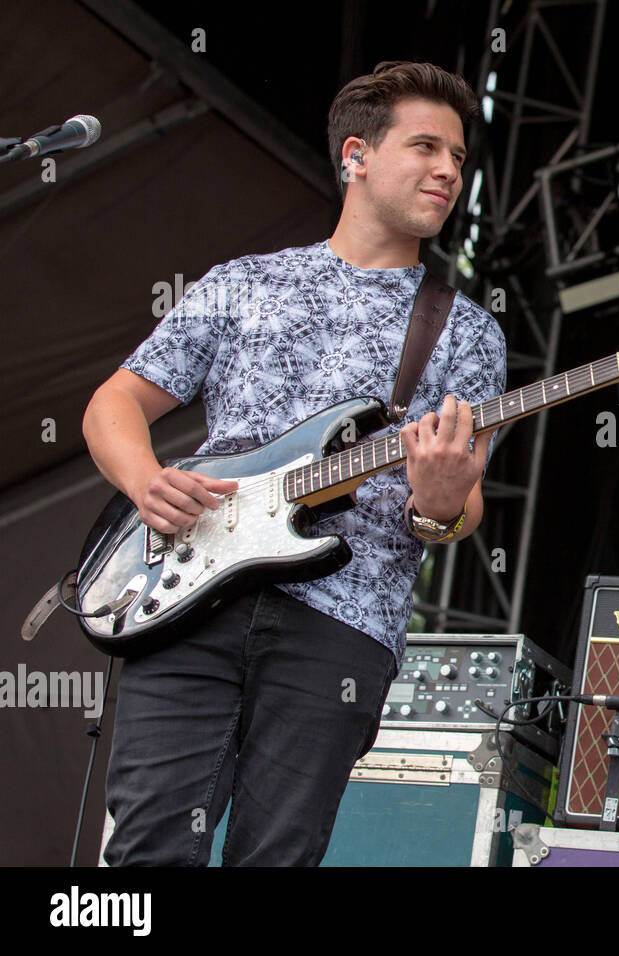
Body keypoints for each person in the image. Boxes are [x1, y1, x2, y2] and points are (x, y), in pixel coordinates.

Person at [82, 61, 507, 865]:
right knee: (144, 852)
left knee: (277, 856)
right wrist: (145, 480)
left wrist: (442, 499)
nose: (448, 171)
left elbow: (460, 510)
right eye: (425, 147)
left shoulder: (468, 332)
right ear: (356, 154)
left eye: (457, 156)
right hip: (186, 598)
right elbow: (114, 405)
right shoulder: (244, 285)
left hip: (340, 627)